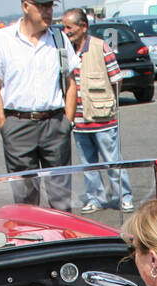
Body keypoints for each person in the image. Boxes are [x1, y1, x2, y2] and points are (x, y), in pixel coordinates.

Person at [0, 0, 81, 207]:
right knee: (25, 199)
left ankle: (64, 238)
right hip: (18, 126)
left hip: (55, 124)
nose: (48, 12)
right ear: (26, 6)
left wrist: (68, 122)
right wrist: (5, 126)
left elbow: (70, 82)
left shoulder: (59, 39)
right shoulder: (3, 39)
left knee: (61, 198)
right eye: (42, 7)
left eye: (50, 6)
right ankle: (31, 239)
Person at [61, 8, 134, 213]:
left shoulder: (100, 46)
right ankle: (95, 198)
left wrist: (105, 102)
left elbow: (116, 81)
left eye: (70, 27)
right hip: (78, 121)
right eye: (64, 27)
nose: (65, 31)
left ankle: (124, 196)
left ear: (83, 27)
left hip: (103, 118)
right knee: (88, 165)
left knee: (112, 161)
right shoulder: (64, 50)